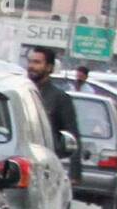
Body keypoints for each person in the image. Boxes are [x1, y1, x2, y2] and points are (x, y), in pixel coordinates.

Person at [26, 45, 80, 179]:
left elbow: (71, 135)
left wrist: (75, 173)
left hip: (45, 168)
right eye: (30, 62)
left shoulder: (59, 98)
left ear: (49, 67)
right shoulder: (20, 93)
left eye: (37, 62)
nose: (31, 66)